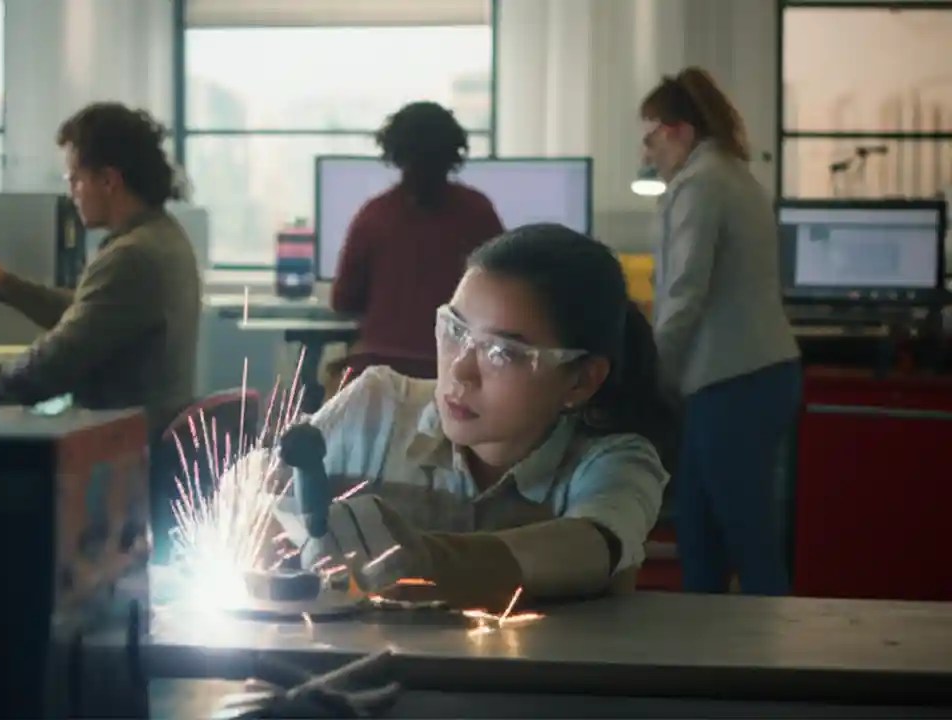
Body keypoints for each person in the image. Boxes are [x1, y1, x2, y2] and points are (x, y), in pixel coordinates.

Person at [246, 225, 674, 610]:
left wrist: (428, 559)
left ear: (581, 381)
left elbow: (594, 544)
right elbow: (256, 481)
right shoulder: (377, 407)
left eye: (502, 352)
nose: (460, 371)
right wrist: (260, 511)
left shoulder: (615, 459)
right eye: (455, 331)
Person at [0, 102, 202, 433]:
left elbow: (44, 372)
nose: (71, 194)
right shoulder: (163, 236)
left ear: (109, 181)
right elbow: (88, 316)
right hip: (142, 443)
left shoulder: (133, 256)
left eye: (75, 179)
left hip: (118, 456)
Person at [640, 67, 802, 595]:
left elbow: (685, 291)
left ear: (680, 130)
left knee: (738, 535)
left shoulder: (700, 183)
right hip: (749, 374)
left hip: (734, 378)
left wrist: (652, 376)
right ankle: (712, 657)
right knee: (704, 531)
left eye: (651, 137)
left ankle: (767, 667)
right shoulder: (732, 175)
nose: (648, 154)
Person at [330, 101, 505, 381]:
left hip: (380, 373)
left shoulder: (374, 215)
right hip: (455, 370)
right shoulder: (478, 213)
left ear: (395, 154)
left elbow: (343, 300)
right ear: (453, 153)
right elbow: (503, 292)